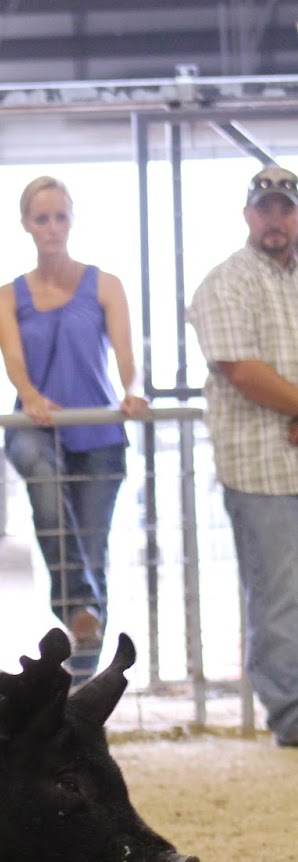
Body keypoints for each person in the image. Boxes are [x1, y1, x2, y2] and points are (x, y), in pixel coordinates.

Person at [0, 175, 148, 683]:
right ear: (25, 225)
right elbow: (13, 360)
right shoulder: (7, 297)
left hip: (97, 429)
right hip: (36, 424)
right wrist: (32, 397)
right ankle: (80, 610)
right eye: (42, 218)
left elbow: (128, 355)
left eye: (60, 217)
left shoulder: (105, 285)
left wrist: (133, 388)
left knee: (91, 546)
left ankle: (82, 690)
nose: (52, 227)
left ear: (72, 220)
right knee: (46, 489)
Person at [189, 165, 298, 748]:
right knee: (278, 595)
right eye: (266, 209)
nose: (275, 219)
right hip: (261, 466)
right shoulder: (224, 282)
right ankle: (291, 714)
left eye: (285, 208)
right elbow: (240, 369)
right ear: (248, 216)